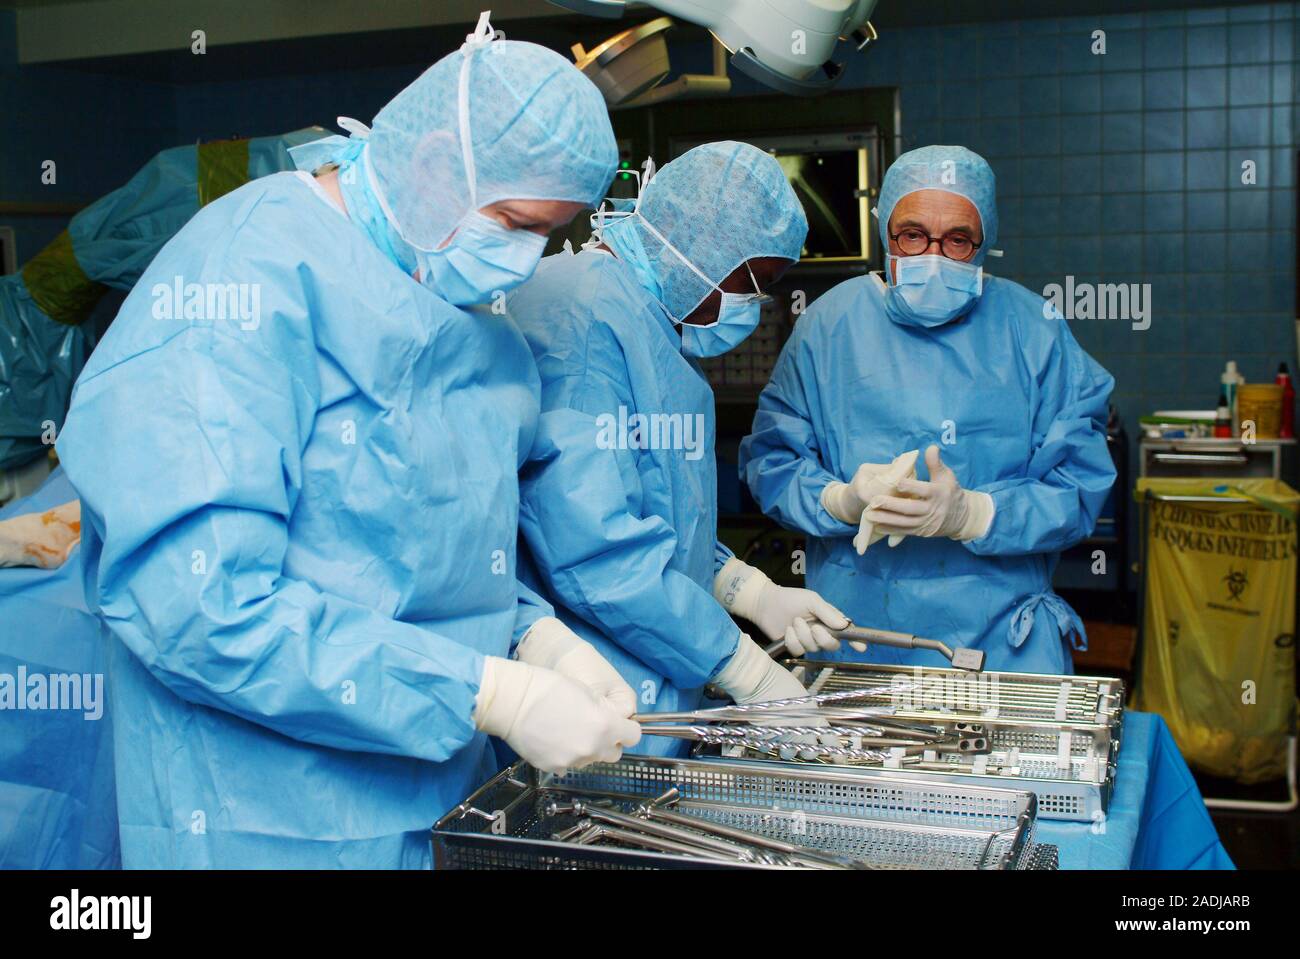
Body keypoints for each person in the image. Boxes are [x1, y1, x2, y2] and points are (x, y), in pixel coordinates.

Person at [55, 14, 640, 869]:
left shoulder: (459, 316)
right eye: (514, 222)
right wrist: (487, 692)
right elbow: (197, 604)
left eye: (549, 233)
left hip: (438, 796)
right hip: (267, 817)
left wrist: (531, 639)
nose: (525, 261)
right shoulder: (243, 281)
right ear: (438, 164)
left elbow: (419, 560)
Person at [509, 141, 856, 754]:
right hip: (591, 704)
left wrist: (750, 590)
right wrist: (744, 669)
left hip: (654, 690)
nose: (755, 306)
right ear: (701, 250)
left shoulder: (644, 323)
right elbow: (597, 555)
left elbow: (662, 513)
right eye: (756, 283)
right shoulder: (584, 323)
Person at [739, 145, 1115, 675]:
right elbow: (772, 462)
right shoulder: (829, 328)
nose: (932, 256)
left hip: (1002, 648)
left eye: (958, 240)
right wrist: (840, 500)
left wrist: (976, 515)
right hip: (857, 636)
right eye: (912, 235)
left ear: (985, 245)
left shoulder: (1034, 330)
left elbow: (1080, 479)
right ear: (885, 233)